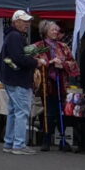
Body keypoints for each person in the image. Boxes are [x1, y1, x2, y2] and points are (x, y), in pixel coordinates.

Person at [0, 10, 36, 154]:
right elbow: (19, 58)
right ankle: (18, 144)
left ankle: (9, 142)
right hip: (18, 79)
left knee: (14, 111)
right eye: (24, 21)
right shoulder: (15, 36)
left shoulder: (11, 35)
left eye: (28, 21)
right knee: (21, 111)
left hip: (11, 78)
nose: (27, 24)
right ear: (16, 22)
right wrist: (36, 62)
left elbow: (16, 57)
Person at [34, 19, 73, 148]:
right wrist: (48, 63)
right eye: (53, 29)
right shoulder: (38, 46)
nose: (56, 32)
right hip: (46, 84)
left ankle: (62, 138)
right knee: (48, 112)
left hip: (61, 83)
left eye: (57, 30)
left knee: (61, 111)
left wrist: (63, 64)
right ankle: (46, 138)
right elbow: (27, 59)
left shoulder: (63, 46)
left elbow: (73, 63)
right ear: (45, 31)